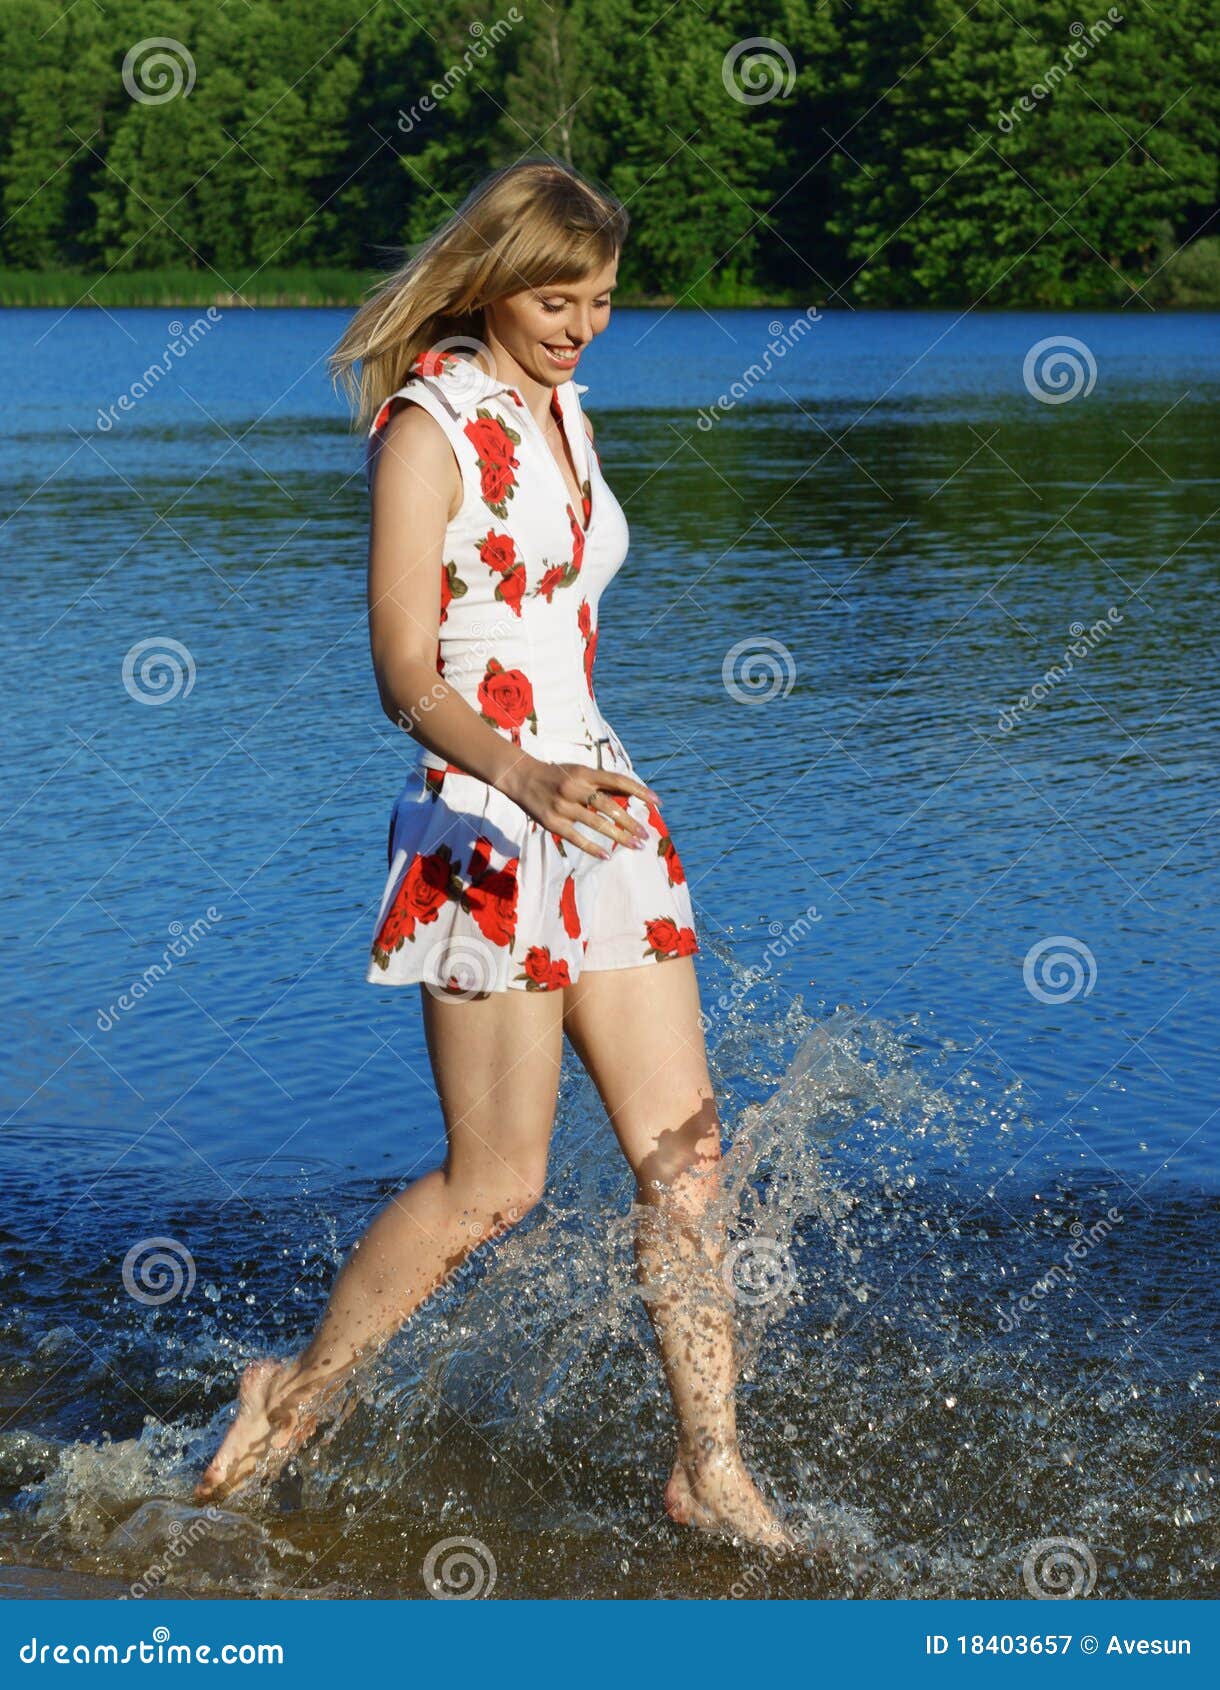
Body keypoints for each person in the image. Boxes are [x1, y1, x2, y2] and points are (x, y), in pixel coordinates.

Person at [194, 158, 793, 1551]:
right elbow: (402, 668)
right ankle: (294, 1392)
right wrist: (519, 770)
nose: (584, 325)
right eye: (557, 297)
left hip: (605, 806)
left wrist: (576, 778)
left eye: (600, 300)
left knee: (691, 1158)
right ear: (491, 279)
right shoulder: (429, 425)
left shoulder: (567, 409)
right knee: (498, 1185)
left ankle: (709, 1463)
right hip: (485, 818)